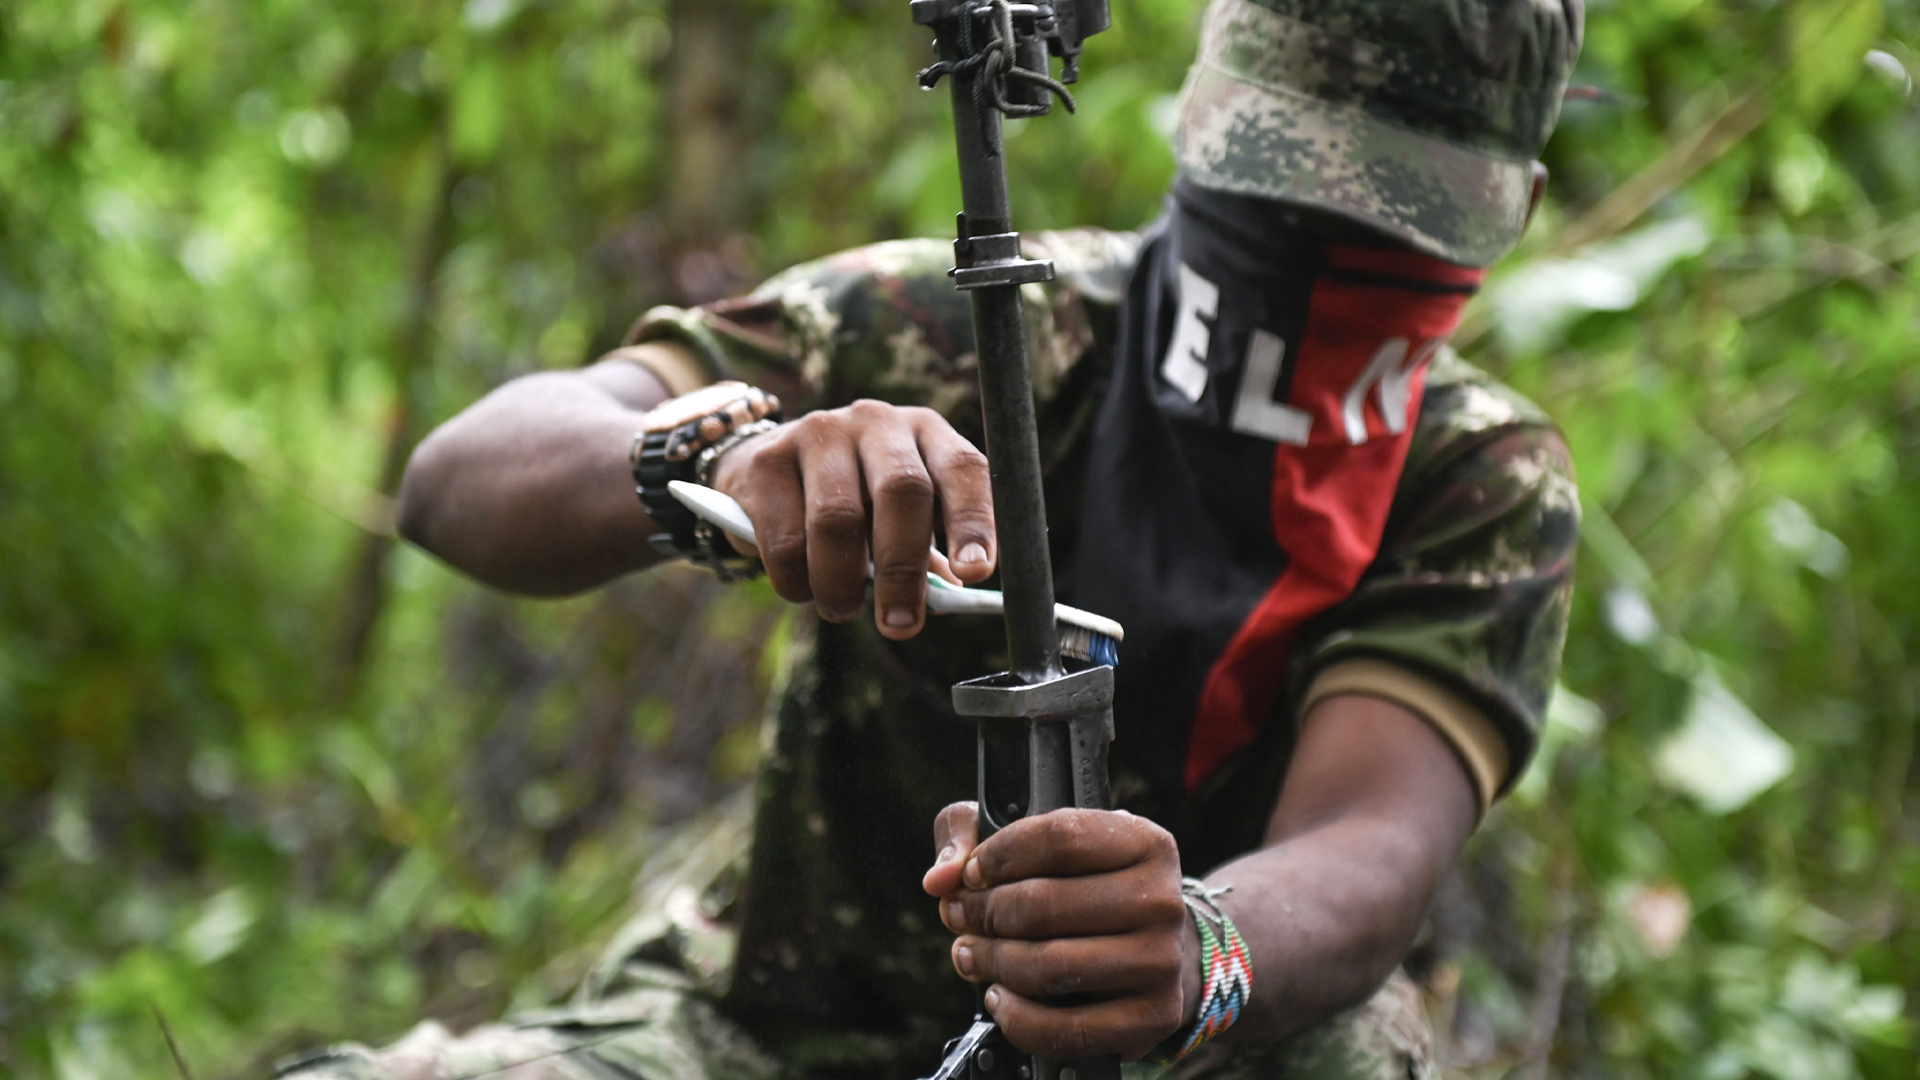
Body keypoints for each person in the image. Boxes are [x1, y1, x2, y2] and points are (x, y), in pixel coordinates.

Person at [279, 0, 1584, 1077]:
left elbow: (1373, 845)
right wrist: (717, 459)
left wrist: (1196, 950)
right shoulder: (957, 328)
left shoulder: (1476, 477)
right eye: (1291, 181)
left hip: (1181, 1055)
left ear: (1513, 208)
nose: (1324, 247)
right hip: (768, 1038)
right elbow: (462, 480)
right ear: (1200, 120)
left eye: (1399, 213)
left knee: (1350, 1050)